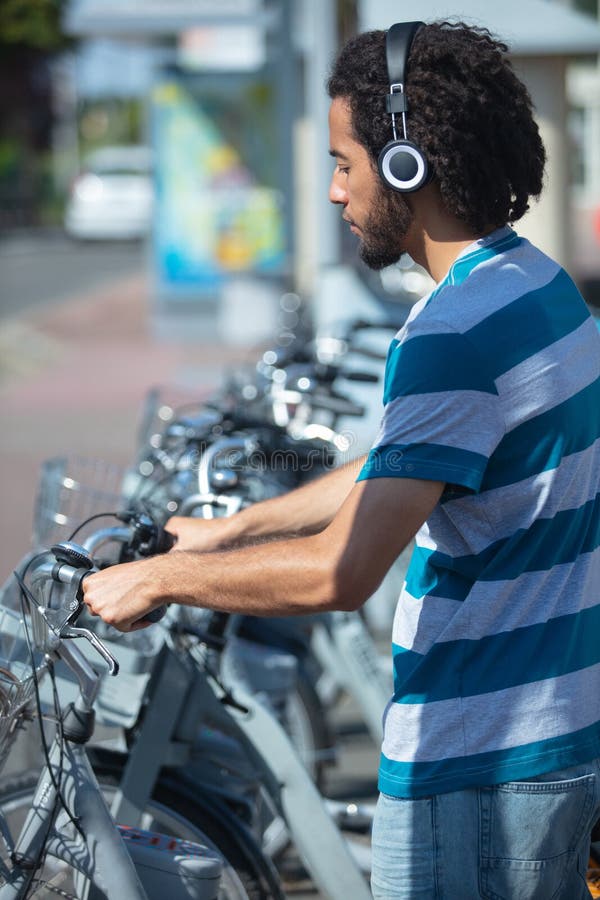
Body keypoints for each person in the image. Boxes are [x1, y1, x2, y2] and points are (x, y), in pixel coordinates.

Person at [83, 20, 600, 899]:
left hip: (476, 764)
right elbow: (400, 466)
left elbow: (340, 574)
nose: (333, 191)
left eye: (345, 163)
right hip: (553, 734)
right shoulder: (535, 288)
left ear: (408, 166)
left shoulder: (449, 336)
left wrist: (161, 581)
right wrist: (232, 529)